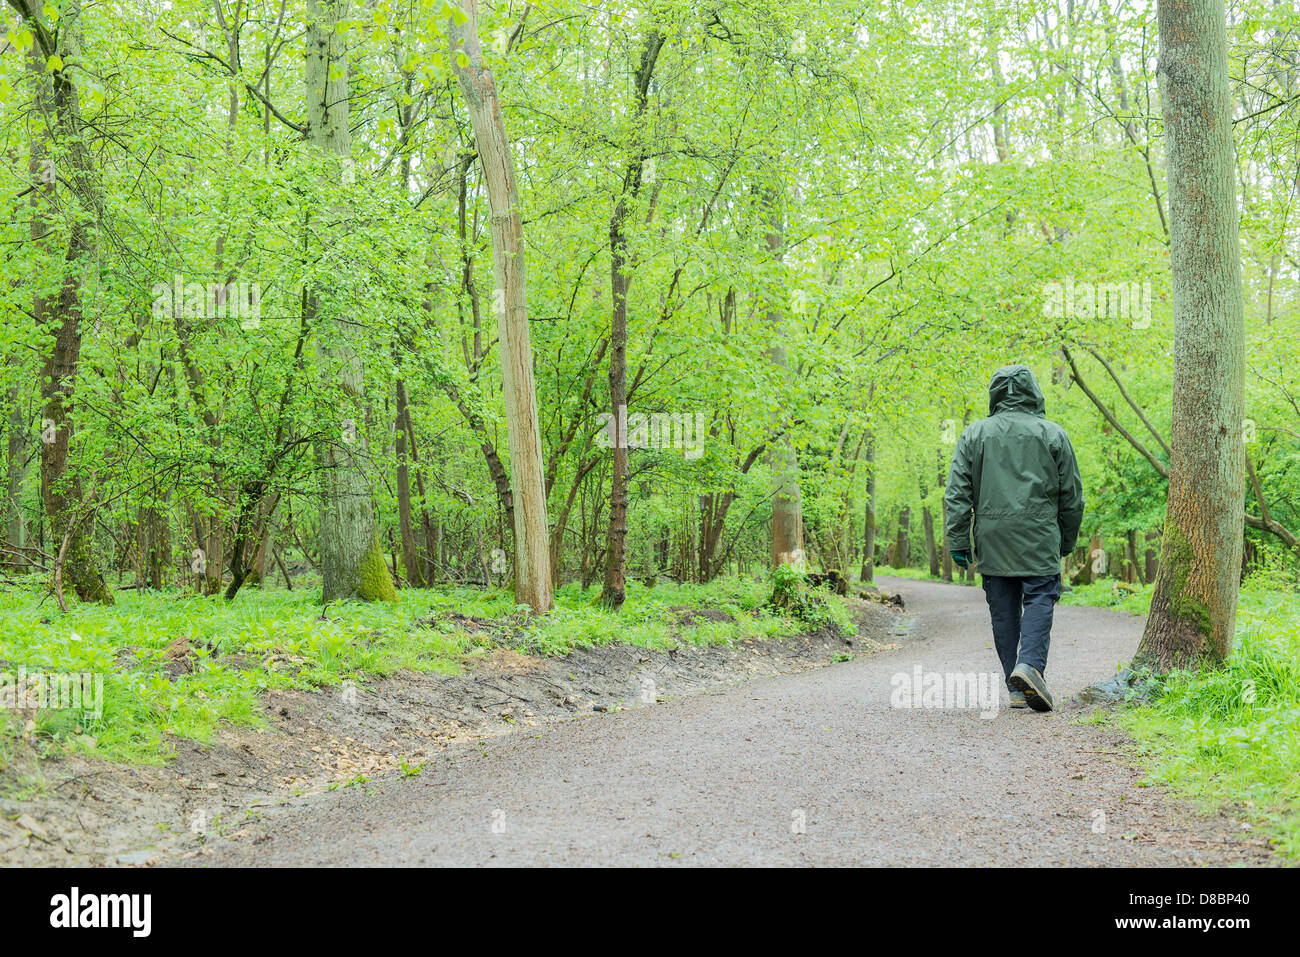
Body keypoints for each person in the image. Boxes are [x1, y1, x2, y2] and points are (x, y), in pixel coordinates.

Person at [943, 365, 1085, 712]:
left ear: (995, 394)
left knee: (1003, 608)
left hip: (992, 538)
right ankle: (1029, 667)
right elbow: (1072, 498)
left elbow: (957, 495)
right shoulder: (1052, 434)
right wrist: (1065, 542)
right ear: (1033, 391)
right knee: (1040, 596)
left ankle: (1016, 686)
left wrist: (959, 542)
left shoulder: (973, 435)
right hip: (1039, 535)